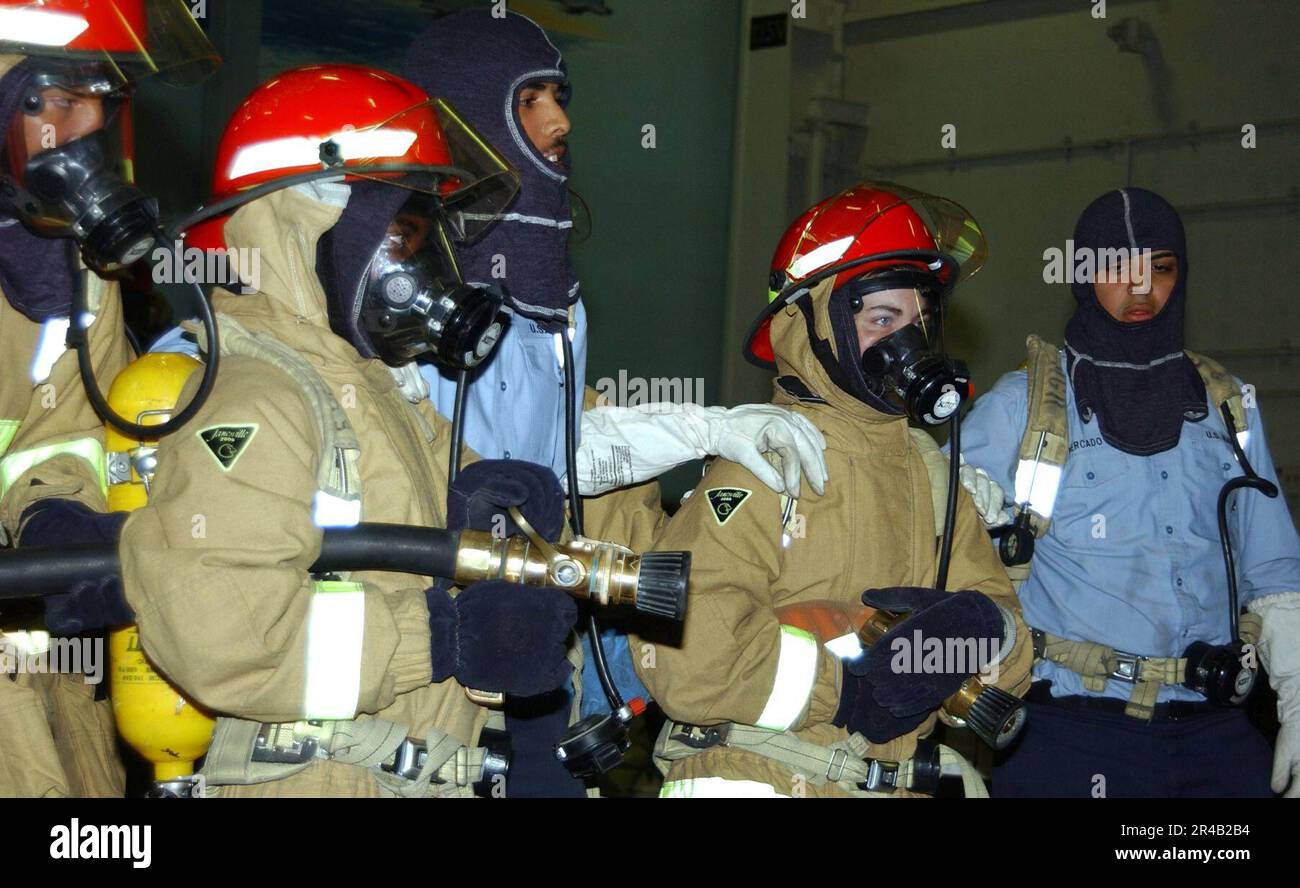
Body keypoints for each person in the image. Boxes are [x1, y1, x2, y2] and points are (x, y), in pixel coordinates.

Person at [20, 63, 591, 798]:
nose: (425, 268)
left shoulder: (379, 393)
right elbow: (223, 629)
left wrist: (502, 542)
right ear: (309, 226)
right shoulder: (259, 397)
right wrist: (440, 638)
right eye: (404, 232)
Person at [395, 8, 831, 796]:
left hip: (536, 646)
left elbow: (559, 460)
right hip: (423, 658)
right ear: (465, 113)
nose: (560, 120)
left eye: (560, 96)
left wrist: (711, 428)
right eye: (529, 101)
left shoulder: (558, 300)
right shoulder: (400, 288)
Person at [632, 182, 1033, 798]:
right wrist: (848, 692)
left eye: (920, 321)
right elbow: (688, 653)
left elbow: (1012, 661)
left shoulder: (930, 479)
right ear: (811, 325)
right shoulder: (762, 466)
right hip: (754, 780)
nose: (909, 344)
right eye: (882, 319)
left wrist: (971, 633)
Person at [958, 187, 1300, 797]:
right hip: (1073, 735)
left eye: (1160, 268)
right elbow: (941, 553)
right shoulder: (1020, 407)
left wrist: (1298, 703)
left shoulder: (1229, 405)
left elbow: (1275, 575)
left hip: (1218, 729)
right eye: (1116, 267)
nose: (1140, 289)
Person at [0, 0, 219, 797]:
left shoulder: (68, 255)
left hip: (40, 661)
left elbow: (54, 429)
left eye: (100, 97)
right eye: (59, 99)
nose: (89, 122)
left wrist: (54, 514)